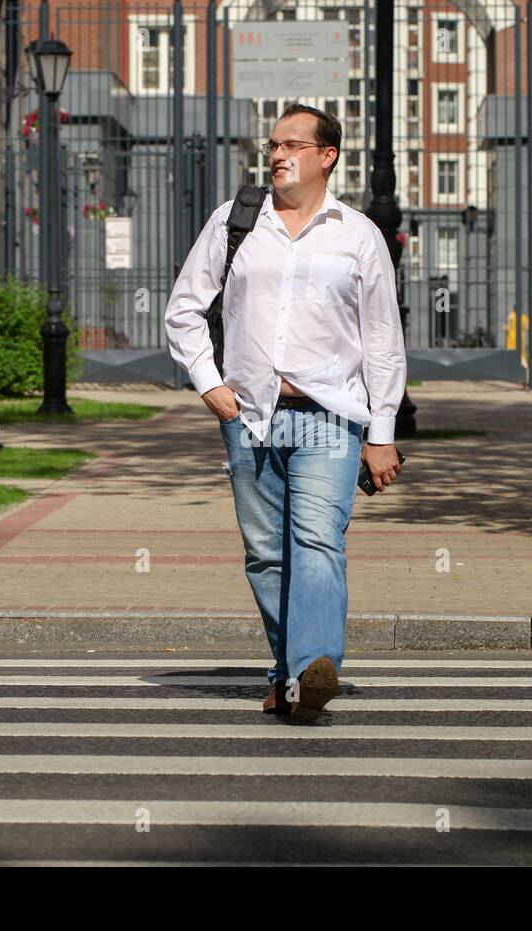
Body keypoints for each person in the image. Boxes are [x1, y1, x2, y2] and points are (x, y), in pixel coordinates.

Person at [164, 103, 407, 722]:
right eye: (273, 145)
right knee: (267, 553)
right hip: (249, 416)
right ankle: (290, 674)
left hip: (330, 417)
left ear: (327, 156)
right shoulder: (236, 222)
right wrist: (208, 383)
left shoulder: (358, 236)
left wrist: (382, 434)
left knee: (317, 540)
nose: (277, 155)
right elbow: (184, 310)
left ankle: (311, 668)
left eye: (293, 144)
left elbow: (382, 341)